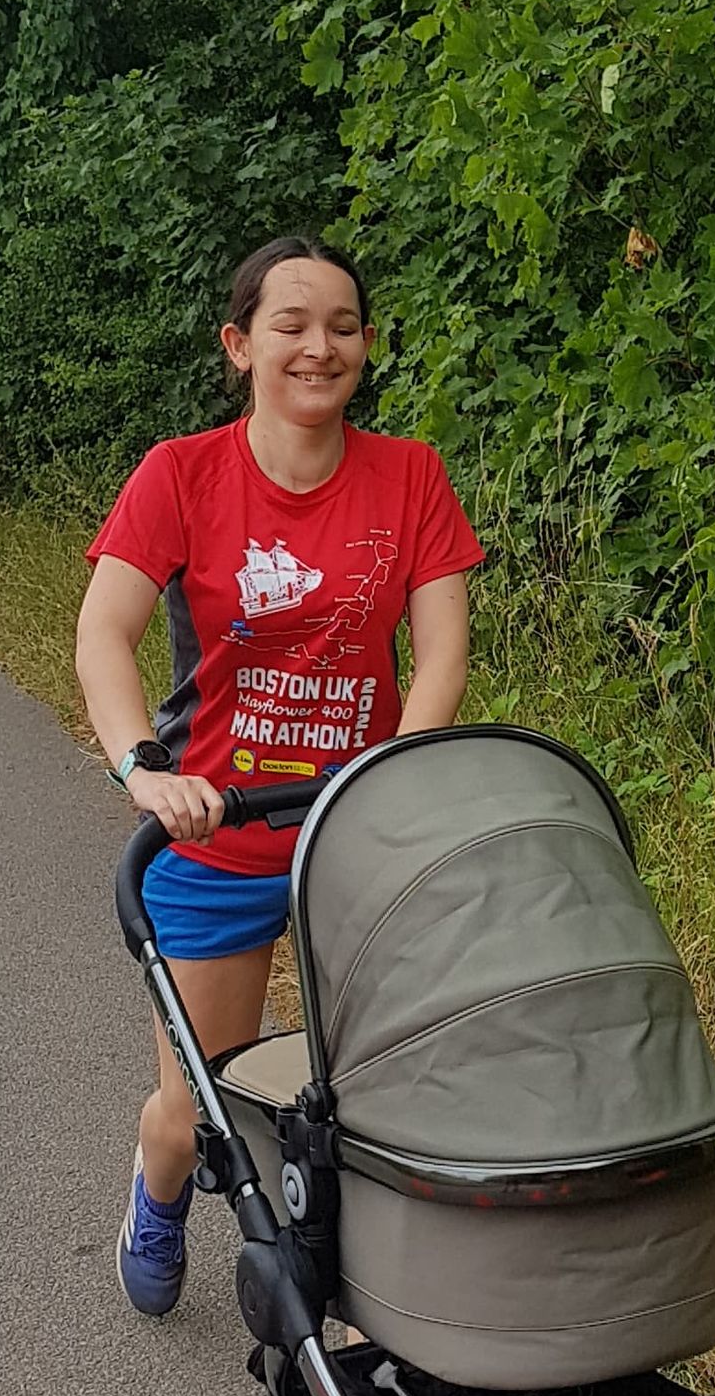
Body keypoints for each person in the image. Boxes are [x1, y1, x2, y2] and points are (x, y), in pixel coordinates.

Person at [76, 234, 482, 1317]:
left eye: (341, 327)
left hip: (359, 837)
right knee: (199, 1106)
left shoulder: (411, 476)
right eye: (290, 325)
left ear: (364, 345)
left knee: (371, 1091)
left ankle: (360, 1276)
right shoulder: (181, 474)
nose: (318, 347)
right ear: (238, 344)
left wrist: (398, 775)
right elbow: (102, 636)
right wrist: (144, 770)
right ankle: (157, 1196)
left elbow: (440, 651)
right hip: (213, 834)